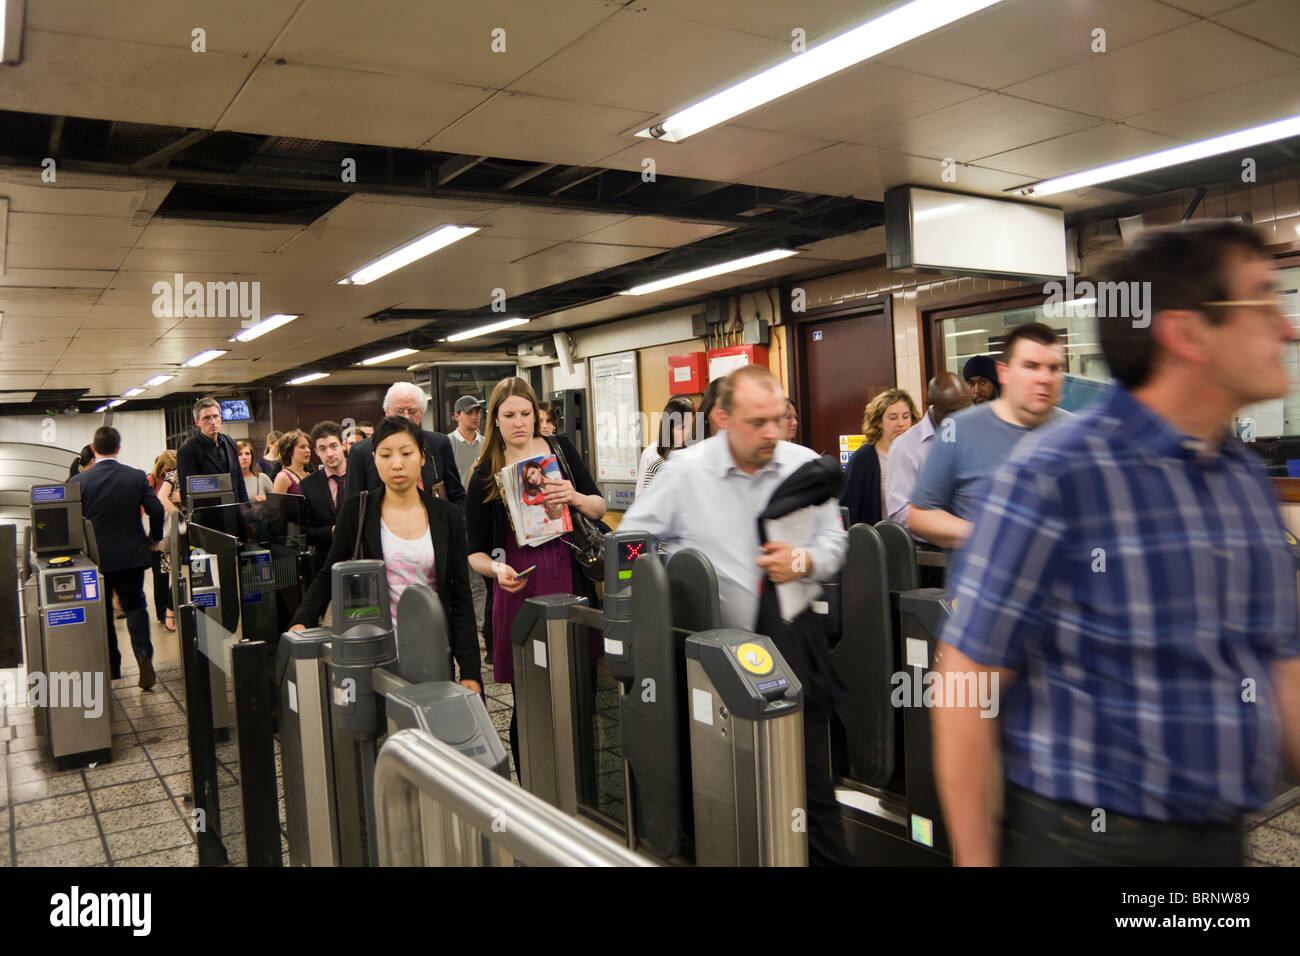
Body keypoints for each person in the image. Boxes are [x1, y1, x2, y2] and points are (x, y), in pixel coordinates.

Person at [933, 220, 1300, 867]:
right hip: (1090, 843)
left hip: (1220, 838)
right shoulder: (1054, 476)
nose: (1288, 327)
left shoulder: (1241, 475)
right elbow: (966, 681)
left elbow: (1281, 663)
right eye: (1262, 301)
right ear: (1186, 333)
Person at [620, 365, 850, 866]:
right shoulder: (683, 472)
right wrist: (644, 615)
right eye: (757, 422)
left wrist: (805, 561)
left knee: (809, 790)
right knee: (716, 785)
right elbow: (631, 543)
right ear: (722, 417)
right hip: (710, 662)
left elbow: (835, 540)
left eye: (778, 419)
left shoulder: (803, 465)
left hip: (791, 650)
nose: (772, 433)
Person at [465, 377, 605, 764]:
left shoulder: (560, 452)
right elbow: (472, 552)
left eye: (525, 413)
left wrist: (573, 496)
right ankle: (532, 779)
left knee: (581, 688)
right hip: (519, 587)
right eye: (508, 415)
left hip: (568, 574)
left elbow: (598, 506)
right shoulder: (484, 474)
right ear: (494, 419)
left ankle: (581, 780)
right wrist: (496, 569)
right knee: (531, 696)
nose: (518, 422)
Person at [289, 417, 481, 694]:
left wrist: (470, 670)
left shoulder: (447, 516)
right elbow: (328, 573)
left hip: (433, 651)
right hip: (374, 650)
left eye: (406, 453)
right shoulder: (358, 510)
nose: (397, 464)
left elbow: (460, 595)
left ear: (422, 458)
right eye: (386, 455)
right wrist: (301, 620)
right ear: (374, 459)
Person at [909, 323, 1069, 551]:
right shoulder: (959, 431)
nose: (1044, 378)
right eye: (1031, 366)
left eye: (1054, 368)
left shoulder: (1080, 435)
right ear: (1004, 372)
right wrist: (991, 534)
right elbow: (920, 516)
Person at [69, 426, 165, 689]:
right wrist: (153, 538)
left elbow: (70, 522)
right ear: (118, 448)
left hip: (94, 561)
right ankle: (144, 656)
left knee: (103, 613)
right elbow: (156, 509)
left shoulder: (78, 482)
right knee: (135, 606)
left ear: (94, 449)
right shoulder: (135, 477)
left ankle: (112, 667)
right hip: (131, 556)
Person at [343, 383, 465, 506]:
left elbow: (457, 495)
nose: (406, 417)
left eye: (412, 411)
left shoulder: (439, 444)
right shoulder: (361, 451)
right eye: (400, 411)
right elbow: (352, 505)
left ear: (422, 414)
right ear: (387, 413)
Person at [883, 373, 972, 534]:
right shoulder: (904, 448)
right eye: (952, 412)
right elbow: (899, 512)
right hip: (929, 552)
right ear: (931, 406)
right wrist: (954, 528)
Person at [447, 395, 490, 655]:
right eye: (469, 412)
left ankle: (482, 629)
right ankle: (469, 630)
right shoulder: (448, 444)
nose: (475, 416)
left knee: (479, 578)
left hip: (481, 517)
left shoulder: (486, 445)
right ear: (457, 416)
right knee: (462, 576)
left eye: (478, 412)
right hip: (456, 518)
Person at [841, 388, 919, 527]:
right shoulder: (863, 458)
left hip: (915, 541)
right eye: (893, 417)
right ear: (878, 421)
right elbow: (848, 509)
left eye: (906, 416)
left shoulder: (918, 452)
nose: (901, 423)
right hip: (878, 542)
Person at [177, 397, 250, 506]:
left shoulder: (229, 442)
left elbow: (239, 481)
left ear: (220, 418)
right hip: (209, 515)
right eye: (206, 418)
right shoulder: (188, 450)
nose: (212, 422)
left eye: (215, 416)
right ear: (197, 422)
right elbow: (186, 495)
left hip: (235, 512)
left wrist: (247, 508)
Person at [299, 421, 348, 574]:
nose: (329, 453)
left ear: (343, 445)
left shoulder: (361, 476)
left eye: (334, 446)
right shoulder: (308, 485)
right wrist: (331, 532)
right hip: (326, 563)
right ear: (316, 451)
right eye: (323, 449)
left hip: (362, 558)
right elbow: (304, 532)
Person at [635, 396, 695, 498]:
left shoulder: (696, 453)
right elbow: (642, 500)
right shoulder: (653, 457)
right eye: (682, 428)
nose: (688, 432)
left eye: (692, 426)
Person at [147, 451, 178, 631]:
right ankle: (161, 614)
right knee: (160, 575)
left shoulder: (174, 481)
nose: (170, 474)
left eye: (173, 470)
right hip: (155, 534)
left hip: (169, 532)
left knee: (169, 573)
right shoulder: (150, 481)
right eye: (168, 470)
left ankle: (169, 611)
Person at [154, 452, 182, 633]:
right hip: (172, 531)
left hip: (185, 529)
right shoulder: (173, 476)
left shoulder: (195, 475)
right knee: (171, 574)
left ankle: (172, 611)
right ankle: (168, 612)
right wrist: (180, 516)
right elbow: (161, 498)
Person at [271, 429, 312, 496]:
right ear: (289, 451)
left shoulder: (308, 475)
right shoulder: (283, 477)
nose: (308, 450)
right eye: (302, 447)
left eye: (308, 447)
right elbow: (275, 505)